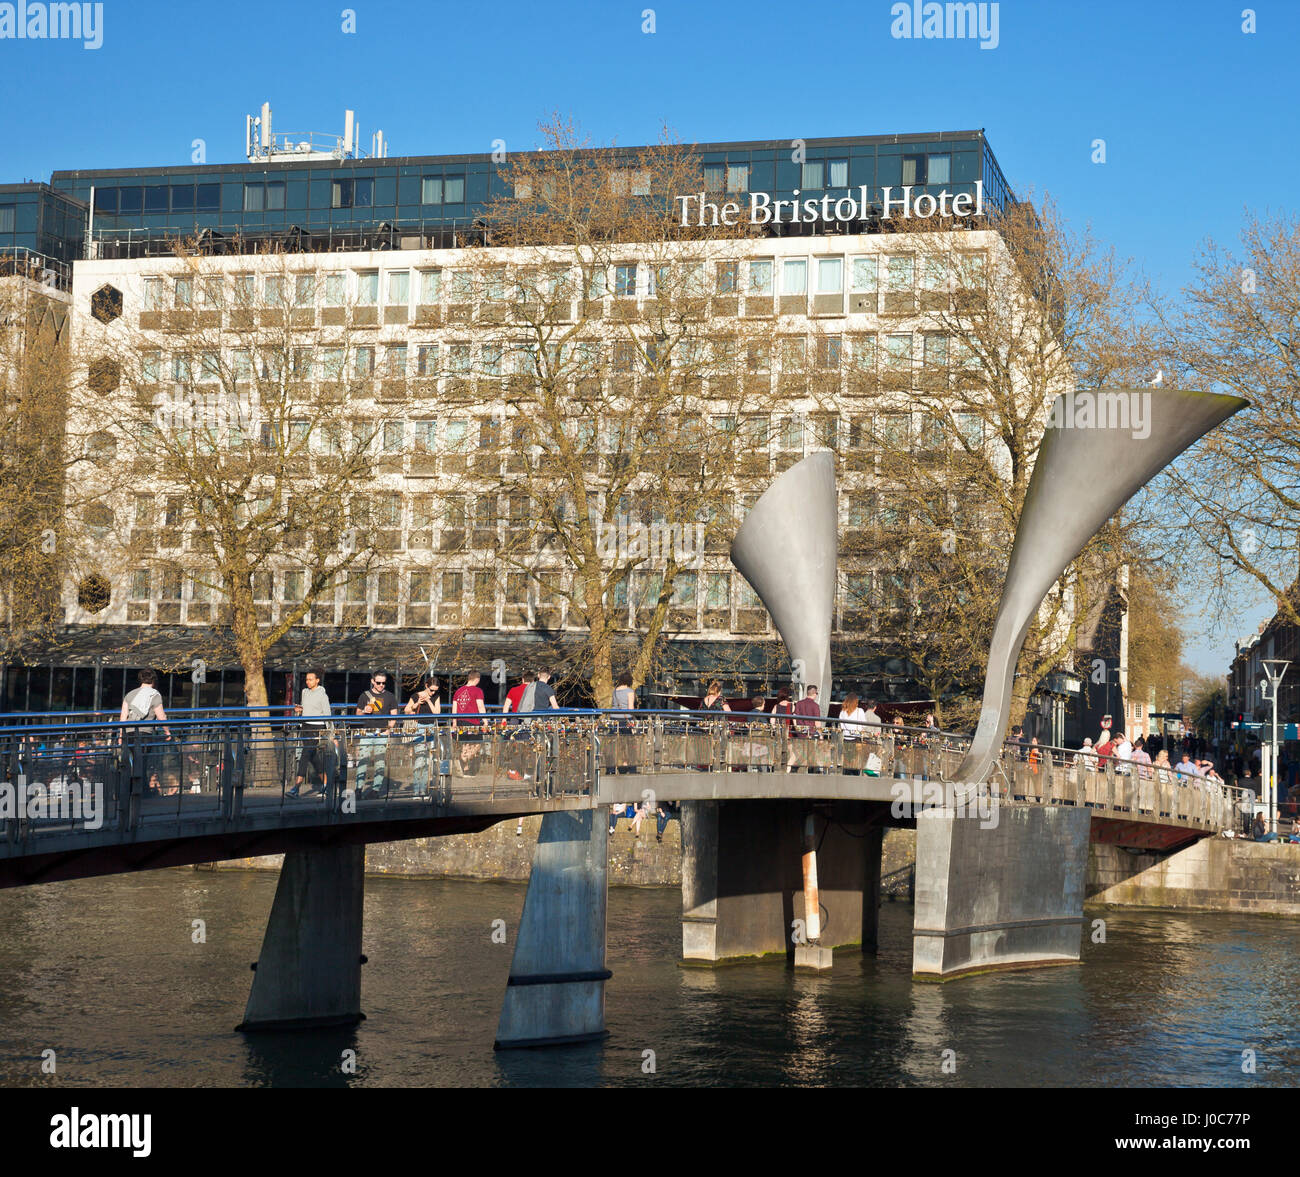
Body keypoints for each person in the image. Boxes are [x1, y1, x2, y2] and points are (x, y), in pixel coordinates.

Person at [119, 669, 170, 824]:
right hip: (144, 733)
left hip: (129, 732)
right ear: (153, 681)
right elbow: (161, 716)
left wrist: (120, 737)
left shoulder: (130, 694)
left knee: (130, 763)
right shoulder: (154, 694)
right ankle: (140, 794)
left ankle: (127, 793)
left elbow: (123, 717)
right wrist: (167, 731)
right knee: (142, 763)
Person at [289, 670, 332, 797]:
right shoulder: (304, 692)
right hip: (305, 726)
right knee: (312, 756)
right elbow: (306, 708)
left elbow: (327, 713)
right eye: (307, 679)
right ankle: (326, 784)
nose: (308, 682)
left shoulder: (323, 695)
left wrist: (331, 733)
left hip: (316, 727)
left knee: (305, 753)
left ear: (317, 680)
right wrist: (300, 710)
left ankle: (296, 787)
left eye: (311, 679)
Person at [354, 671, 398, 796]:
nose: (381, 685)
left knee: (380, 762)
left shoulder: (390, 696)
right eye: (378, 683)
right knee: (362, 761)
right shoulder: (364, 695)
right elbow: (357, 714)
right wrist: (364, 710)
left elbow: (394, 715)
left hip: (382, 733)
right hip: (367, 732)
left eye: (383, 683)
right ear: (373, 681)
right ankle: (358, 788)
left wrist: (389, 729)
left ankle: (376, 789)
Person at [404, 675, 441, 796]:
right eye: (431, 690)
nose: (433, 692)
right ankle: (416, 789)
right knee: (419, 760)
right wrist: (417, 703)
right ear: (426, 686)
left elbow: (437, 713)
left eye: (435, 690)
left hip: (431, 728)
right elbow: (407, 710)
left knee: (427, 761)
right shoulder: (416, 695)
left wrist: (429, 700)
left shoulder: (435, 697)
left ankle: (423, 788)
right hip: (419, 728)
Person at [788, 684, 822, 772]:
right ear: (814, 694)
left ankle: (788, 769)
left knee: (797, 753)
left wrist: (797, 728)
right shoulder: (815, 706)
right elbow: (817, 723)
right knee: (811, 753)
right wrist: (821, 735)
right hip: (811, 734)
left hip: (800, 733)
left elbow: (794, 716)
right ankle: (814, 771)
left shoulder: (799, 703)